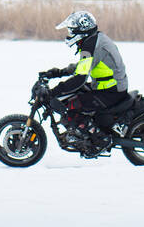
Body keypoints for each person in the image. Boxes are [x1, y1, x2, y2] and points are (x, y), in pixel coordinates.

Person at [43, 10, 129, 146]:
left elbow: (80, 78)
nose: (70, 34)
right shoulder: (95, 39)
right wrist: (58, 72)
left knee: (73, 106)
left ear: (82, 30)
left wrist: (54, 91)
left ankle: (99, 139)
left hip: (111, 91)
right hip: (108, 86)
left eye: (72, 31)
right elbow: (83, 66)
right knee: (74, 96)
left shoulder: (91, 45)